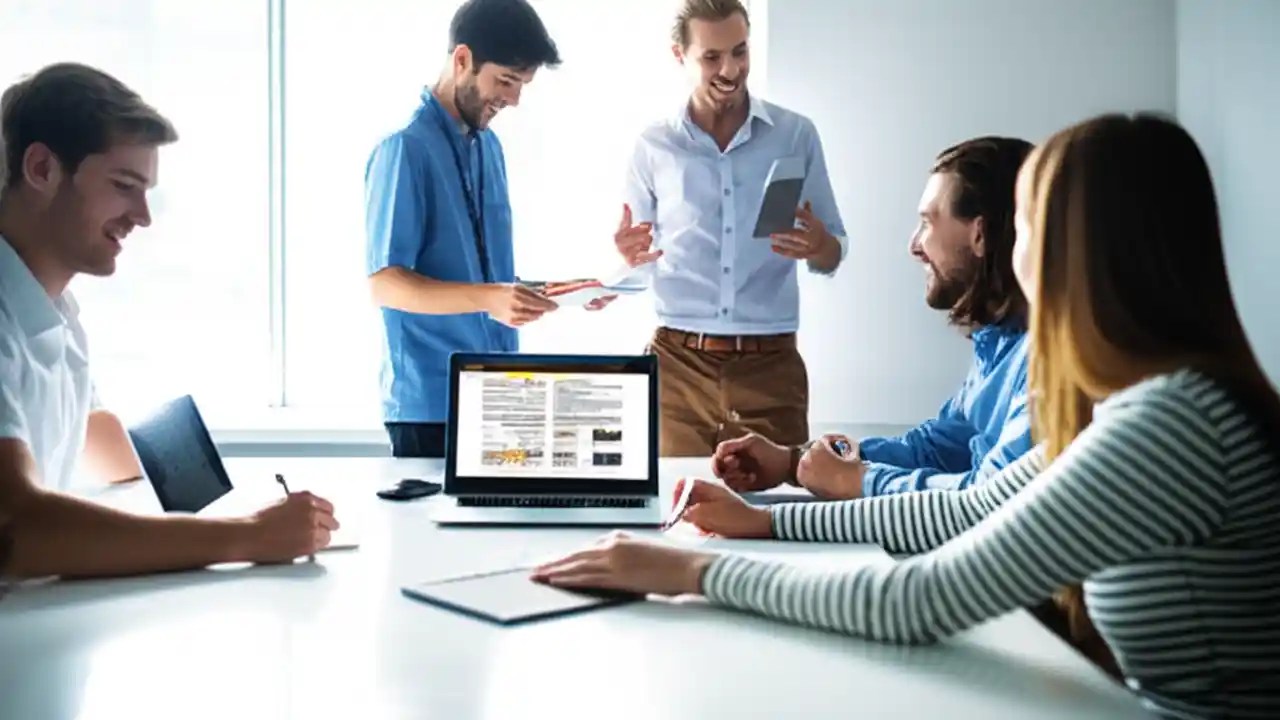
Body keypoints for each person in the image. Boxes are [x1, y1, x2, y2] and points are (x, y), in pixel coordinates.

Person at [534, 114, 1280, 718]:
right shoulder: (1159, 402)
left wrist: (689, 570)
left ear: (1071, 248)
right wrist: (769, 518)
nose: (1011, 248)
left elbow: (920, 599)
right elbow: (969, 514)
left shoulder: (1168, 424)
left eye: (1026, 224)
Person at [0, 63, 337, 581]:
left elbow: (91, 436)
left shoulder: (57, 311)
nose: (143, 215)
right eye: (123, 185)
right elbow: (15, 528)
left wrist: (227, 490)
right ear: (42, 169)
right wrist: (249, 534)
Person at [366, 0, 652, 458]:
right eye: (506, 80)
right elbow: (385, 284)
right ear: (462, 60)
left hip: (498, 393)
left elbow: (483, 278)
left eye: (522, 84)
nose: (515, 99)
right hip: (430, 407)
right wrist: (491, 298)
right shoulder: (404, 149)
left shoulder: (488, 147)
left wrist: (561, 291)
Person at [714, 137, 1035, 500]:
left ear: (981, 234)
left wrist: (857, 481)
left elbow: (990, 498)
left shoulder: (1042, 359)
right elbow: (937, 449)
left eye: (928, 222)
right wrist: (795, 462)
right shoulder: (999, 343)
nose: (914, 245)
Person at [615, 0, 847, 457]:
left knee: (775, 513)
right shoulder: (653, 145)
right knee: (673, 507)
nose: (730, 69)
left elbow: (833, 253)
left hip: (771, 368)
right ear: (680, 56)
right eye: (712, 57)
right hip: (676, 368)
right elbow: (636, 269)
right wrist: (623, 260)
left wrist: (820, 245)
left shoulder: (795, 135)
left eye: (740, 52)